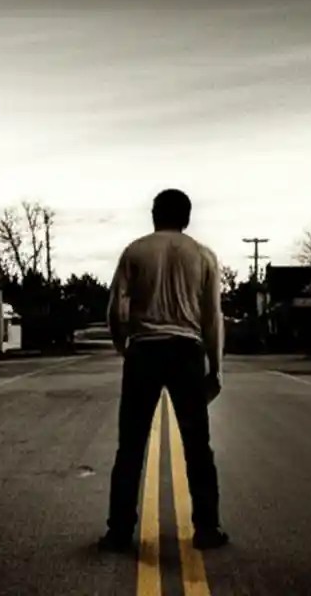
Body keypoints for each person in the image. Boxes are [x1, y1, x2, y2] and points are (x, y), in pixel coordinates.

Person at [99, 188, 228, 552]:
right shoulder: (203, 255)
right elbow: (212, 317)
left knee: (131, 444)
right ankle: (207, 528)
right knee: (197, 444)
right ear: (186, 218)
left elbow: (116, 308)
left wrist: (123, 346)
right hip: (187, 350)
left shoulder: (135, 251)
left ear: (154, 215)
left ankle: (120, 531)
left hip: (144, 350)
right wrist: (216, 367)